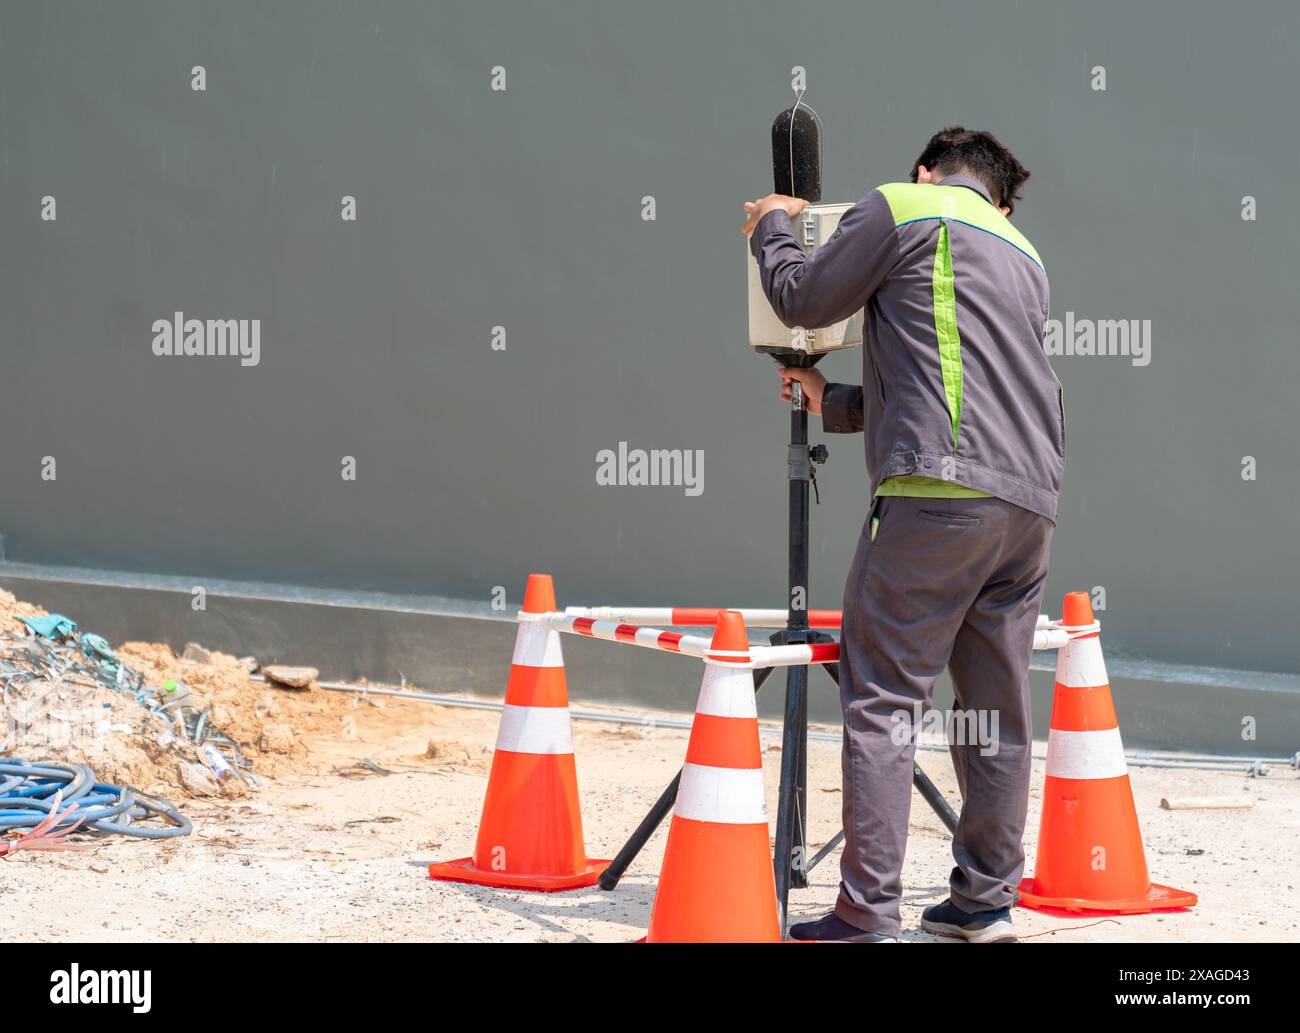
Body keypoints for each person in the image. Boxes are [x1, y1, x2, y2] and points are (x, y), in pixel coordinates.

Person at [743, 127, 1065, 942]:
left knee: (882, 698)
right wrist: (832, 402)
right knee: (992, 710)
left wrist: (776, 224)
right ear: (999, 196)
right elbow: (947, 381)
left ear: (928, 170)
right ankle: (985, 899)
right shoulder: (1023, 252)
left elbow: (802, 300)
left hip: (933, 502)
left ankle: (866, 912)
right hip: (1026, 510)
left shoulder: (902, 204)